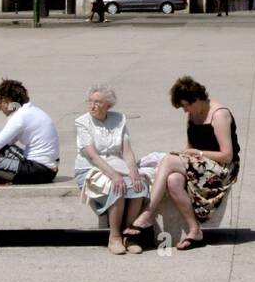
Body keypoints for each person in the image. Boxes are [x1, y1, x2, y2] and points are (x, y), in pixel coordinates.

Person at [126, 76, 239, 250]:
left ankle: (148, 213)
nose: (186, 110)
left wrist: (196, 153)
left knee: (169, 161)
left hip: (222, 169)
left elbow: (227, 155)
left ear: (198, 99)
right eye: (183, 107)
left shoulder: (219, 114)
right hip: (201, 165)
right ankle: (194, 230)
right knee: (173, 180)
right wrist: (186, 154)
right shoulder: (191, 116)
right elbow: (189, 148)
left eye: (187, 105)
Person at [74, 84, 148, 254]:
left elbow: (127, 151)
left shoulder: (119, 119)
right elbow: (92, 155)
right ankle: (114, 237)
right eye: (90, 101)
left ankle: (128, 234)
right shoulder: (82, 122)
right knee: (118, 185)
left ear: (108, 105)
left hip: (116, 164)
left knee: (139, 185)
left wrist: (133, 171)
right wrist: (114, 175)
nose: (92, 105)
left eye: (98, 102)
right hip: (91, 167)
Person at [0, 80, 60, 184]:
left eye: (1, 103)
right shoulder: (29, 111)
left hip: (39, 171)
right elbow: (6, 143)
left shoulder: (20, 116)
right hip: (46, 168)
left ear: (8, 101)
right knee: (2, 149)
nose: (0, 108)